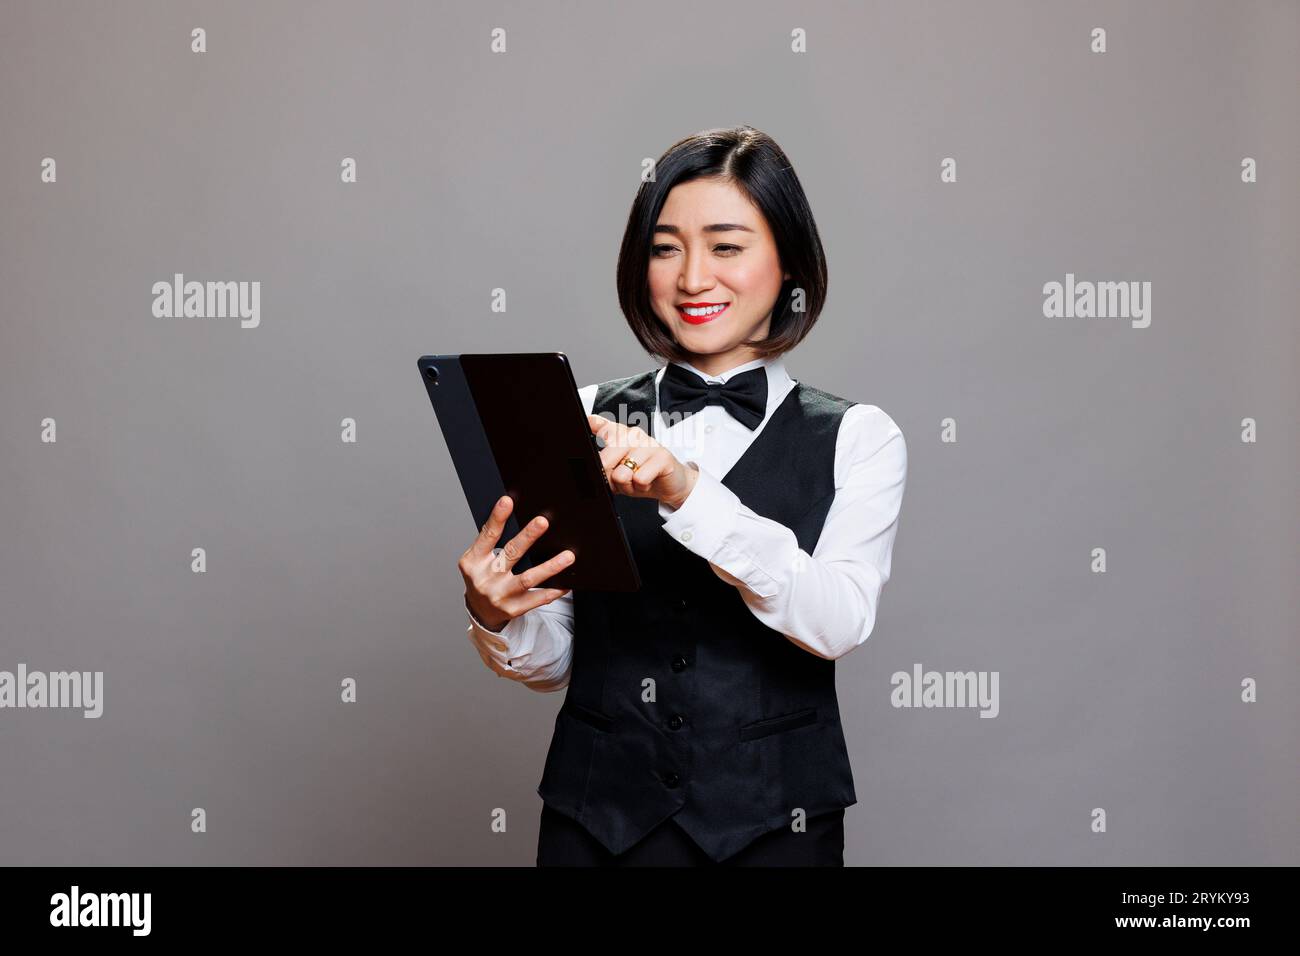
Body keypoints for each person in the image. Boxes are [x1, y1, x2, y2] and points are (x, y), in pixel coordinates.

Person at [458, 125, 907, 866]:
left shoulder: (861, 436)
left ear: (788, 260)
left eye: (726, 246)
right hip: (594, 824)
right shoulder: (579, 411)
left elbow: (836, 621)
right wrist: (492, 614)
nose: (693, 277)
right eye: (667, 248)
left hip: (776, 828)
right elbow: (554, 659)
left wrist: (687, 492)